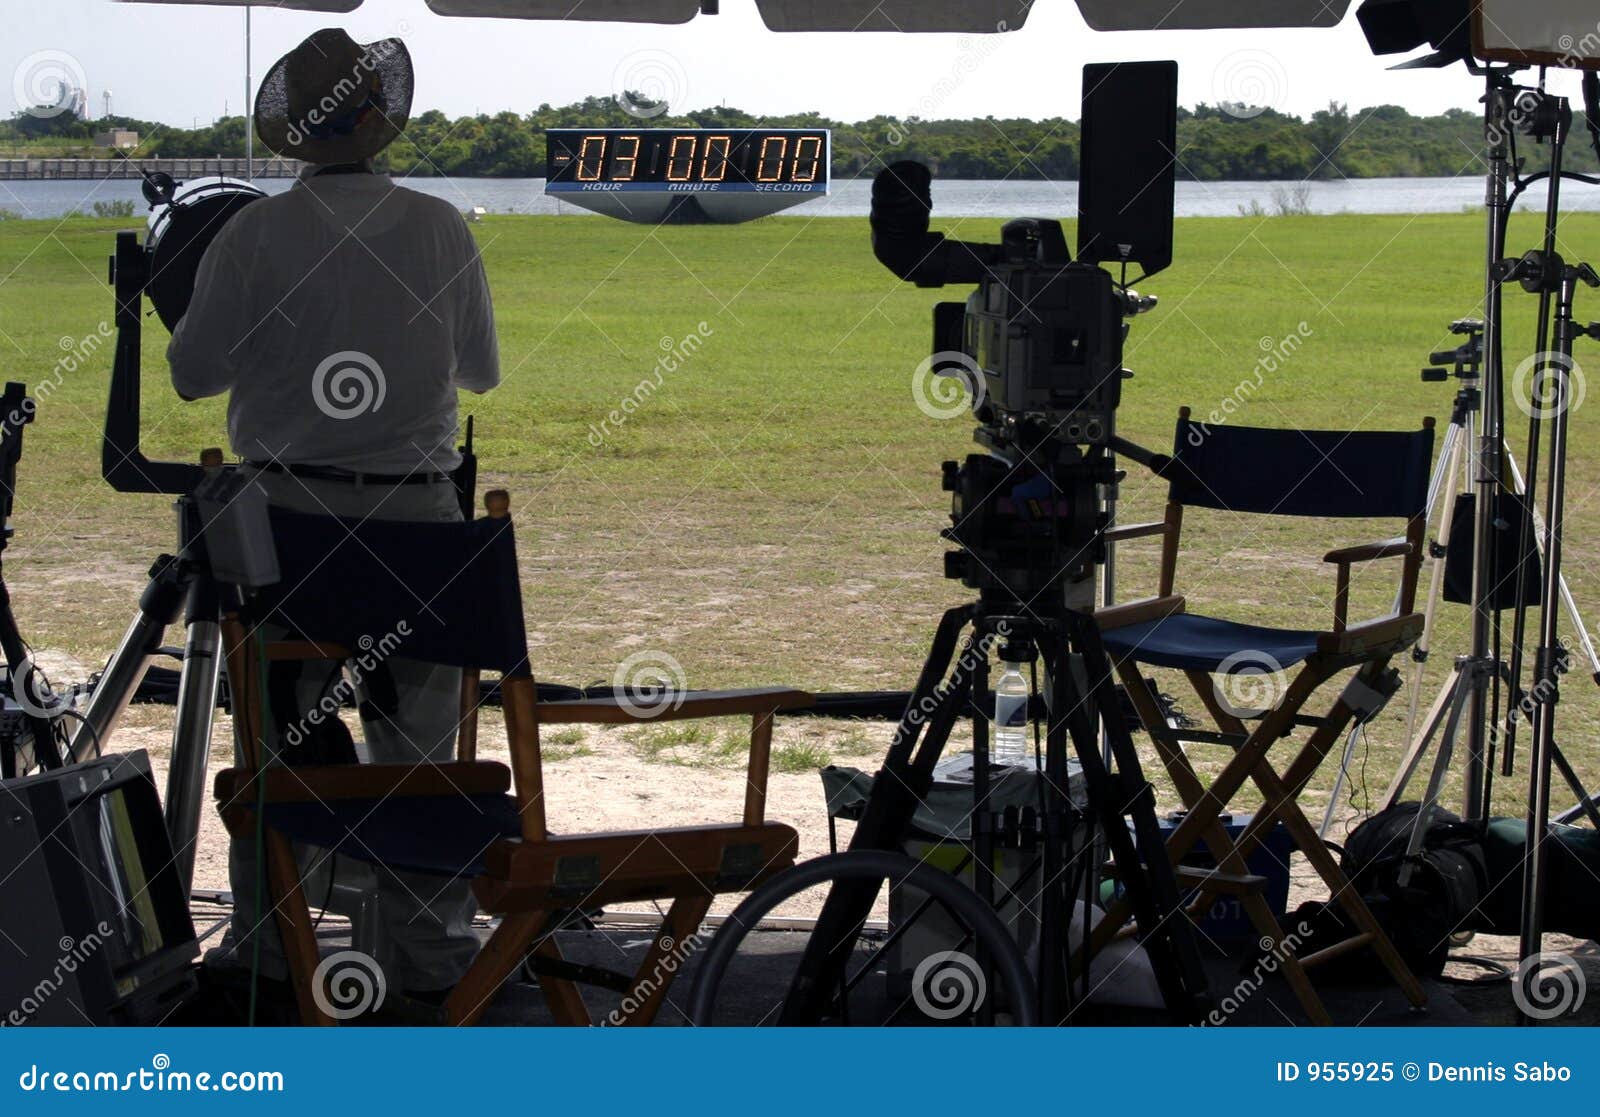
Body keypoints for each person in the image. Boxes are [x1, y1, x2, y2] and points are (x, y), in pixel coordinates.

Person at [168, 28, 500, 1004]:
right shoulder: (441, 225)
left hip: (284, 527)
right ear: (378, 126)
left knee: (280, 750)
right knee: (421, 756)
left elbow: (192, 375)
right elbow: (478, 371)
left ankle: (274, 951)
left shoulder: (252, 234)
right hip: (419, 527)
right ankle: (431, 961)